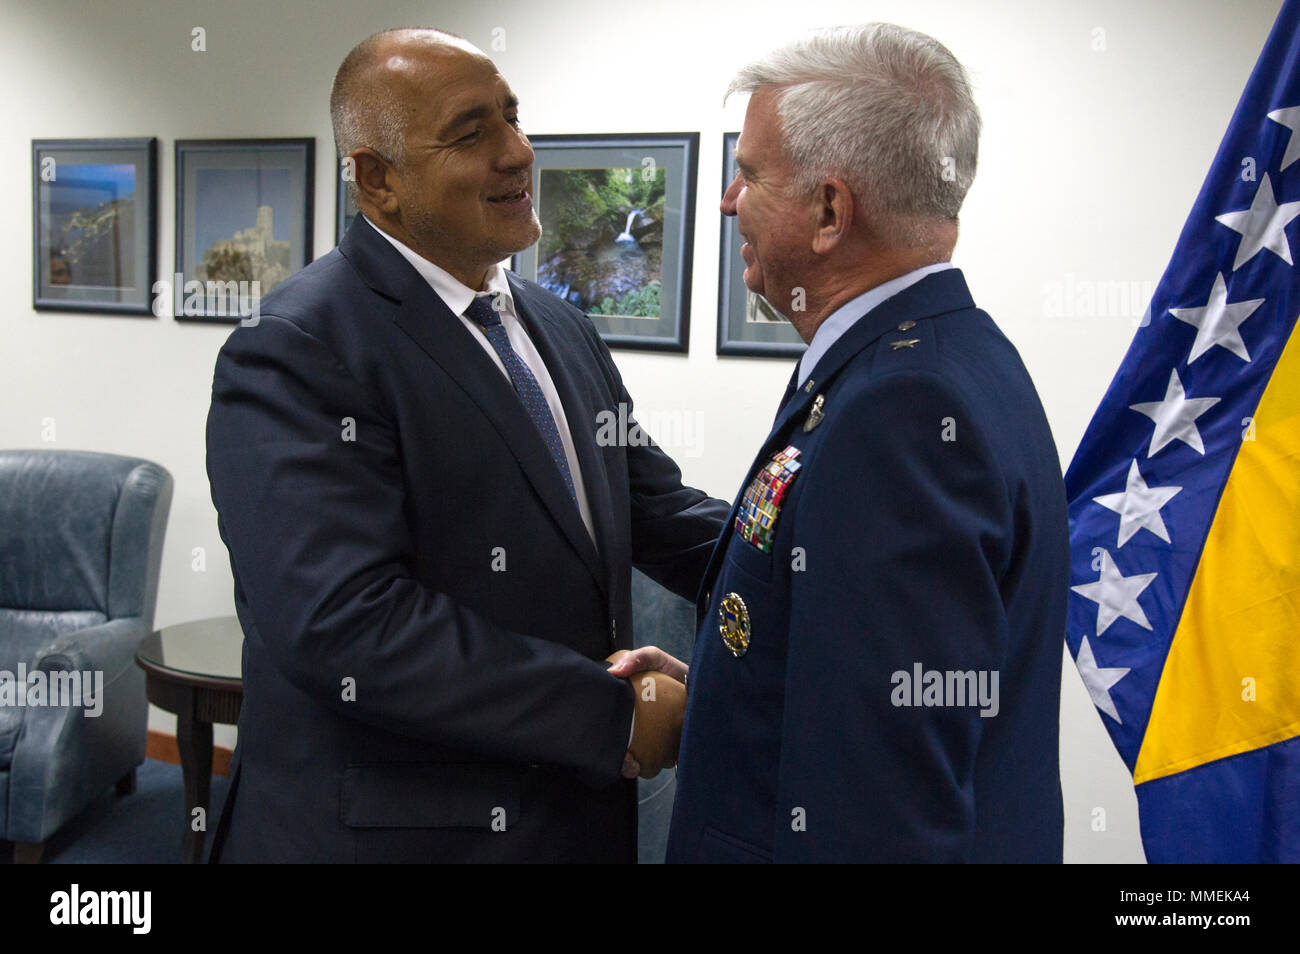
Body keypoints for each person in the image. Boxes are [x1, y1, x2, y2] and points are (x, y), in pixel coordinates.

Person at [204, 27, 725, 863]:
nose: (518, 152)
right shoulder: (298, 346)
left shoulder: (557, 324)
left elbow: (656, 511)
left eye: (514, 118)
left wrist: (810, 565)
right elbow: (345, 623)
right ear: (377, 180)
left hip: (570, 819)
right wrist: (612, 713)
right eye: (471, 132)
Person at [611, 23, 1068, 862]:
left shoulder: (901, 413)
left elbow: (880, 815)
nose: (725, 200)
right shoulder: (948, 355)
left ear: (829, 211)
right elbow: (853, 681)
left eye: (748, 173)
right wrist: (718, 694)